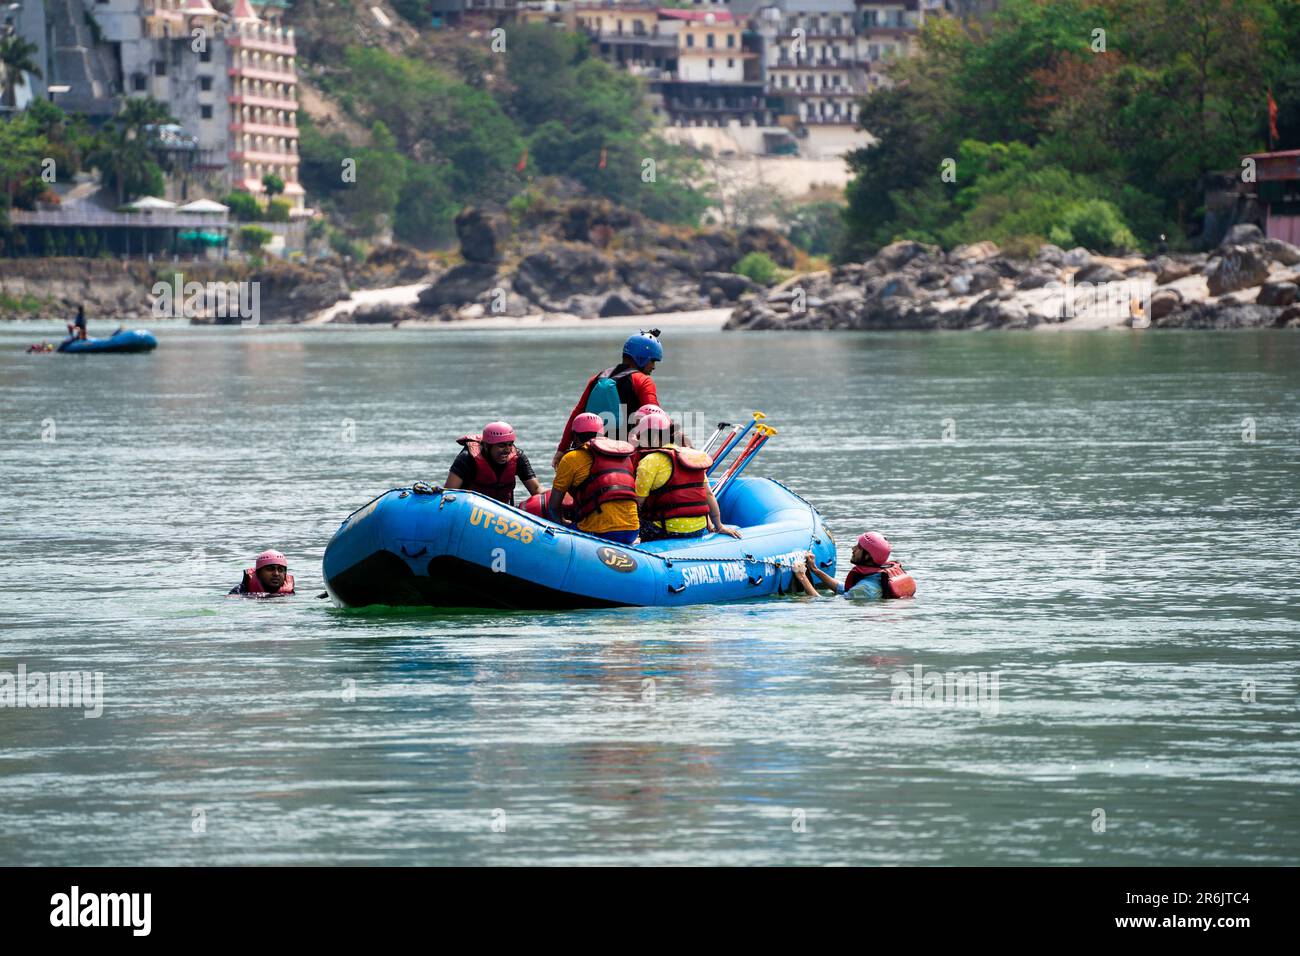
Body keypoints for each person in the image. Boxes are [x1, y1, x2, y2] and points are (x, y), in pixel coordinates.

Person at [553, 330, 662, 467]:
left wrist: (562, 449)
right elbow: (654, 418)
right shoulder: (643, 381)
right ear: (642, 358)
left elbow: (577, 413)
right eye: (653, 361)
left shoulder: (597, 378)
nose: (654, 367)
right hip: (624, 454)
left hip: (591, 453)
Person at [633, 411, 739, 542]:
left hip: (666, 530)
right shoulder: (691, 456)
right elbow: (709, 494)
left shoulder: (649, 460)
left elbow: (638, 502)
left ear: (653, 437)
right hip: (698, 530)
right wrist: (719, 525)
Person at [549, 411, 641, 544]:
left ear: (575, 437)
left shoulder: (571, 458)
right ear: (602, 434)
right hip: (632, 532)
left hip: (600, 534)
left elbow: (553, 506)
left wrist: (562, 525)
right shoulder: (623, 455)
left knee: (542, 509)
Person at [791, 532, 916, 599]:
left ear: (868, 556)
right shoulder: (874, 577)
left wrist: (802, 576)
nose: (853, 548)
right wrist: (815, 570)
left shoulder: (865, 588)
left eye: (859, 547)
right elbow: (842, 588)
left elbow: (820, 601)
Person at [445, 420, 540, 506]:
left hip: (502, 515)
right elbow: (448, 494)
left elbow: (536, 490)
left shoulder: (518, 458)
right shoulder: (467, 458)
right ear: (486, 446)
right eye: (501, 445)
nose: (507, 450)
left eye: (510, 444)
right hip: (469, 511)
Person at [229, 549, 296, 598]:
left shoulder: (289, 594)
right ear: (258, 573)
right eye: (270, 569)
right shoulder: (239, 592)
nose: (276, 573)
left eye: (280, 570)